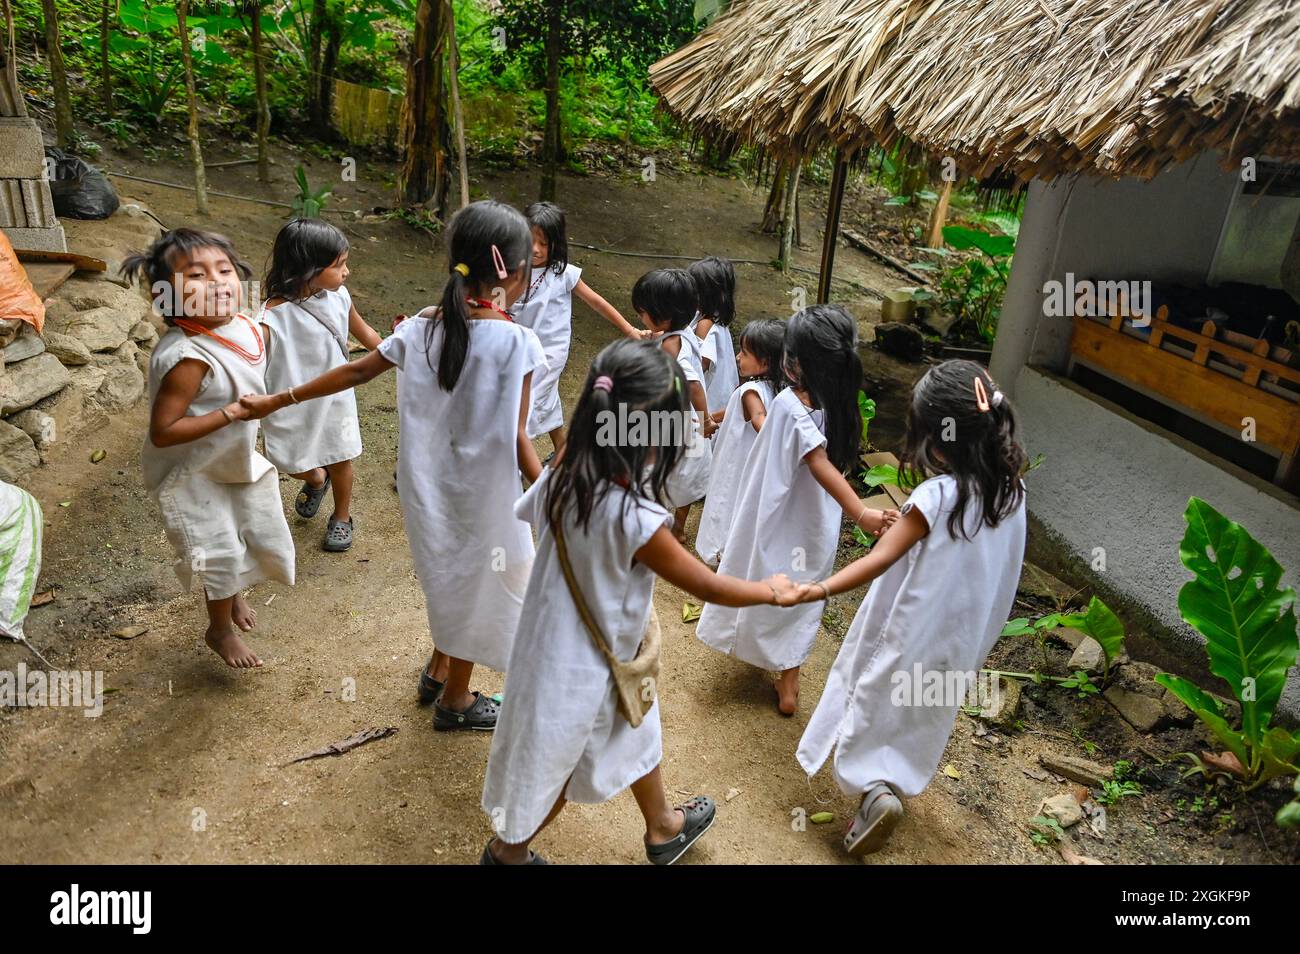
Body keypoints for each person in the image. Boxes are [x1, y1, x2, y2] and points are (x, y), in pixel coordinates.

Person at [480, 339, 795, 865]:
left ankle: (663, 826)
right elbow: (708, 585)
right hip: (588, 667)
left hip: (573, 650)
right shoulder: (637, 521)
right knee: (562, 763)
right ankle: (507, 854)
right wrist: (772, 591)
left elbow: (532, 511)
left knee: (637, 722)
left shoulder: (564, 475)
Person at [242, 201, 544, 731]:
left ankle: (439, 663)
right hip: (488, 501)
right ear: (515, 273)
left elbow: (356, 372)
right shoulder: (518, 342)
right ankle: (455, 700)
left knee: (453, 578)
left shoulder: (421, 329)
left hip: (428, 497)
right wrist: (553, 494)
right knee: (486, 589)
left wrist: (278, 399)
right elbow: (517, 437)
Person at [787, 361, 1028, 857]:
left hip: (907, 631)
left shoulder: (937, 496)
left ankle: (873, 793)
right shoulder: (1012, 494)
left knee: (874, 701)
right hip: (960, 640)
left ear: (937, 442)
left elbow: (879, 559)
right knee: (923, 714)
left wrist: (819, 589)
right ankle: (894, 782)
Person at [695, 305, 895, 714]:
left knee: (763, 577)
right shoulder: (838, 407)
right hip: (814, 524)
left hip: (774, 515)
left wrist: (862, 512)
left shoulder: (787, 403)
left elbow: (814, 461)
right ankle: (789, 680)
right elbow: (822, 462)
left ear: (802, 364)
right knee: (803, 591)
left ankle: (758, 650)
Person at [126, 229, 294, 669]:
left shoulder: (241, 326)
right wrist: (232, 414)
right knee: (218, 550)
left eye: (224, 270)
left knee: (242, 533)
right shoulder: (189, 357)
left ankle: (229, 598)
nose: (217, 281)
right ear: (168, 295)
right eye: (196, 275)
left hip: (232, 462)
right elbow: (164, 431)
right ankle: (218, 629)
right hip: (193, 475)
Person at [260, 218, 382, 551]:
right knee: (284, 458)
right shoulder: (271, 317)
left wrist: (395, 352)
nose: (346, 272)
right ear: (307, 268)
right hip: (290, 400)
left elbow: (366, 332)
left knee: (340, 457)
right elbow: (255, 363)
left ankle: (342, 516)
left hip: (335, 397)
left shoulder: (339, 298)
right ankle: (315, 478)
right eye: (339, 265)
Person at [513, 201, 646, 458]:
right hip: (518, 350)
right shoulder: (513, 269)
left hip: (549, 355)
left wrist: (630, 330)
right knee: (546, 403)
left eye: (544, 243)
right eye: (531, 240)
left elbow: (597, 302)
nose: (536, 249)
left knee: (524, 409)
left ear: (556, 243)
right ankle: (567, 453)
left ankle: (517, 462)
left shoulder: (564, 274)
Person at [695, 317, 786, 567]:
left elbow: (758, 417)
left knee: (724, 503)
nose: (737, 357)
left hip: (734, 465)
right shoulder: (774, 389)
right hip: (748, 466)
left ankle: (719, 553)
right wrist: (709, 420)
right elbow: (733, 410)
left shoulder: (751, 392)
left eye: (744, 353)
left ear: (765, 362)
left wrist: (782, 441)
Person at [632, 267, 714, 539]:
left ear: (663, 316)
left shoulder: (671, 345)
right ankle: (677, 526)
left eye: (642, 311)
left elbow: (692, 385)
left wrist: (706, 420)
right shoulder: (681, 333)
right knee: (686, 473)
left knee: (665, 471)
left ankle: (659, 525)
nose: (639, 316)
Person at [688, 256, 740, 415]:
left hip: (708, 409)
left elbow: (699, 366)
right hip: (717, 404)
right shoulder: (710, 319)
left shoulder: (707, 325)